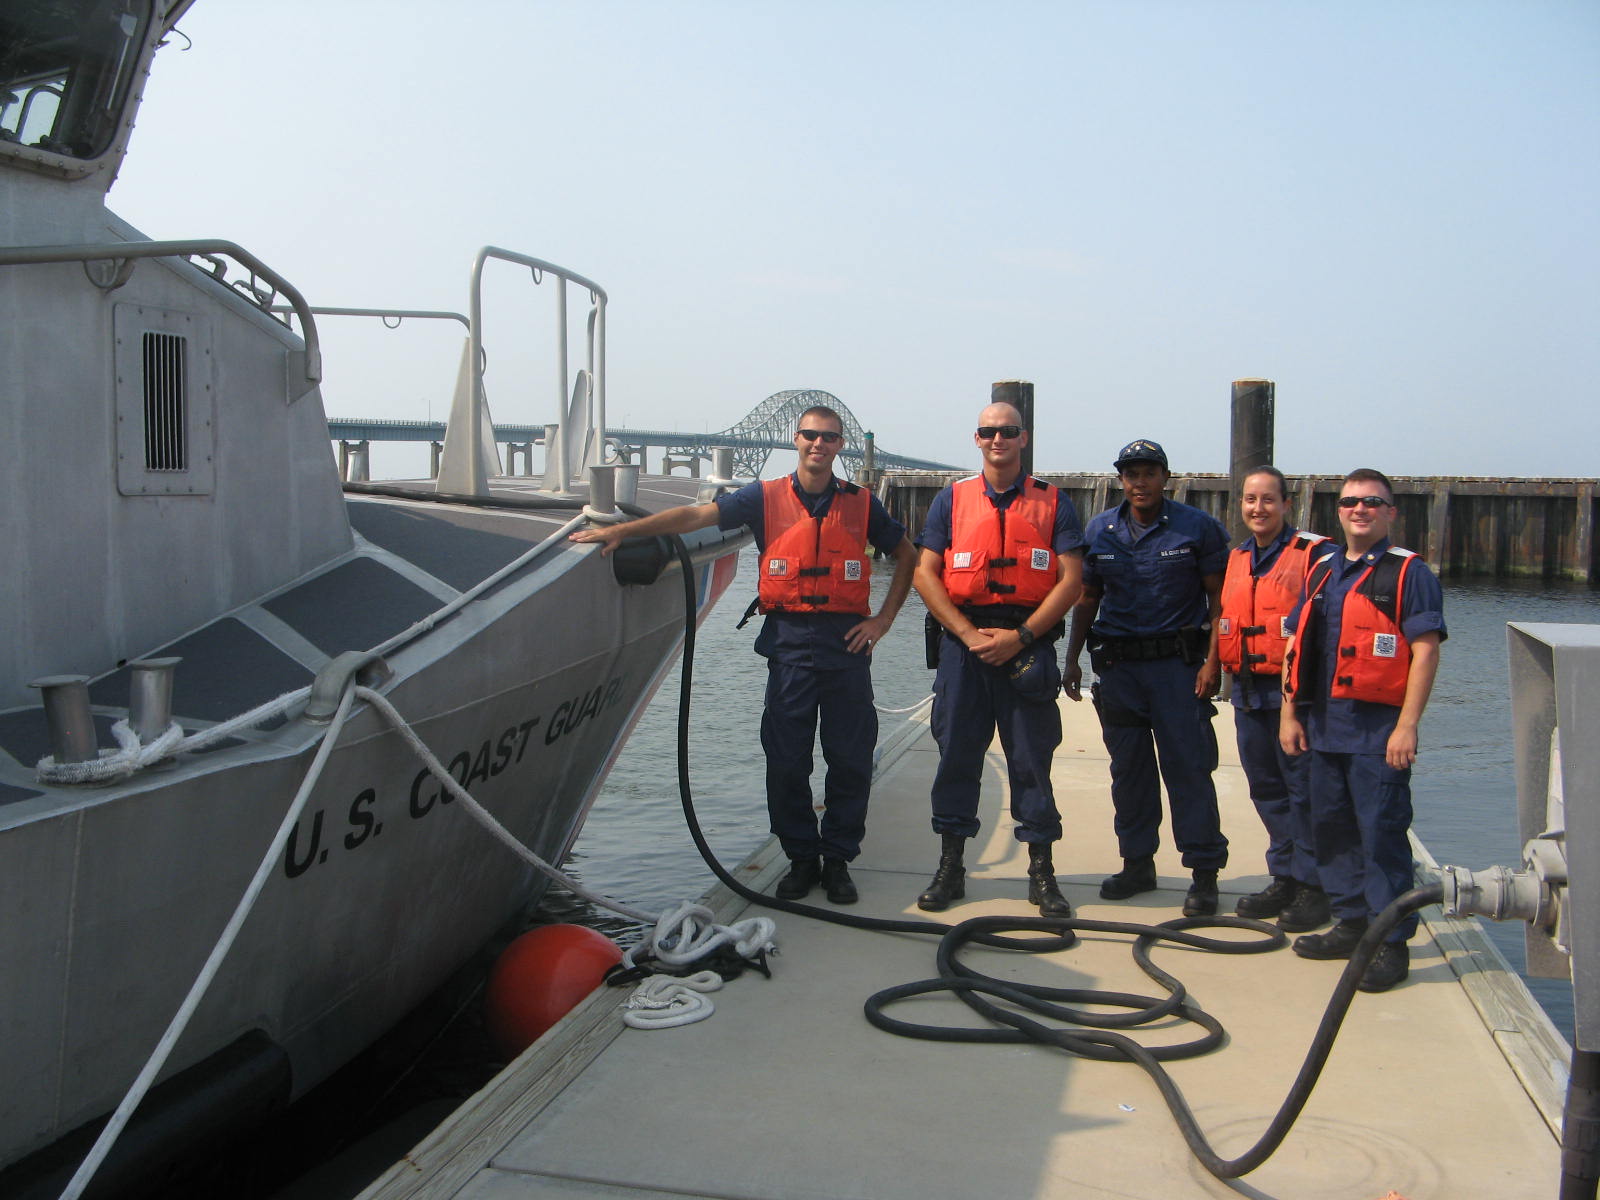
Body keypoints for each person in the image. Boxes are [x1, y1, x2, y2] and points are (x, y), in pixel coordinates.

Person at [570, 405, 916, 904]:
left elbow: (908, 555)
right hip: (790, 648)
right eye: (810, 436)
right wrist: (625, 530)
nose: (819, 445)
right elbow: (696, 515)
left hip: (846, 649)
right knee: (786, 760)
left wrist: (883, 620)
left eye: (830, 438)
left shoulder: (862, 505)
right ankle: (801, 858)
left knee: (850, 758)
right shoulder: (764, 497)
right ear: (796, 440)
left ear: (840, 446)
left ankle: (837, 859)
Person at [912, 402, 1085, 916]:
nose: (997, 439)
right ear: (977, 438)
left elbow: (1071, 580)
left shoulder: (1055, 504)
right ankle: (951, 868)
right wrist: (966, 634)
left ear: (1023, 437)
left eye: (1007, 431)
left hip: (1026, 646)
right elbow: (925, 574)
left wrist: (1024, 635)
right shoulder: (952, 501)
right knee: (957, 758)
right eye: (988, 431)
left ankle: (1042, 872)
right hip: (964, 650)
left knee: (1032, 760)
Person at [1279, 468, 1445, 992]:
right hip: (1324, 730)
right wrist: (1289, 714)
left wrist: (1407, 727)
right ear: (1339, 511)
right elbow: (1297, 645)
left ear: (1390, 512)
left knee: (1382, 839)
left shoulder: (1408, 574)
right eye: (1351, 502)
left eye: (1372, 502)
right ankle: (1351, 923)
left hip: (1377, 736)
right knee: (1330, 829)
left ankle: (1390, 943)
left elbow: (1425, 650)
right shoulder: (1323, 570)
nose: (1360, 510)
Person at [1063, 439, 1230, 916]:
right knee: (1128, 773)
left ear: (1165, 477)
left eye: (1149, 472)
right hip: (1118, 671)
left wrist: (1213, 663)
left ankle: (1203, 873)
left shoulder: (1197, 529)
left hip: (1177, 670)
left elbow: (1220, 603)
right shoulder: (1101, 530)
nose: (1140, 482)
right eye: (1131, 473)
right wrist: (1072, 659)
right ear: (1121, 480)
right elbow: (1087, 600)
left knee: (1189, 769)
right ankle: (1137, 863)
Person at [1217, 466, 1332, 931]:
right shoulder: (1238, 557)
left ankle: (1314, 886)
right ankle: (1283, 875)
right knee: (1266, 789)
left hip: (1296, 698)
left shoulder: (1315, 555)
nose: (1258, 508)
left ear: (1287, 505)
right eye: (1249, 499)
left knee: (1303, 791)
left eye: (1268, 499)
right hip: (1247, 689)